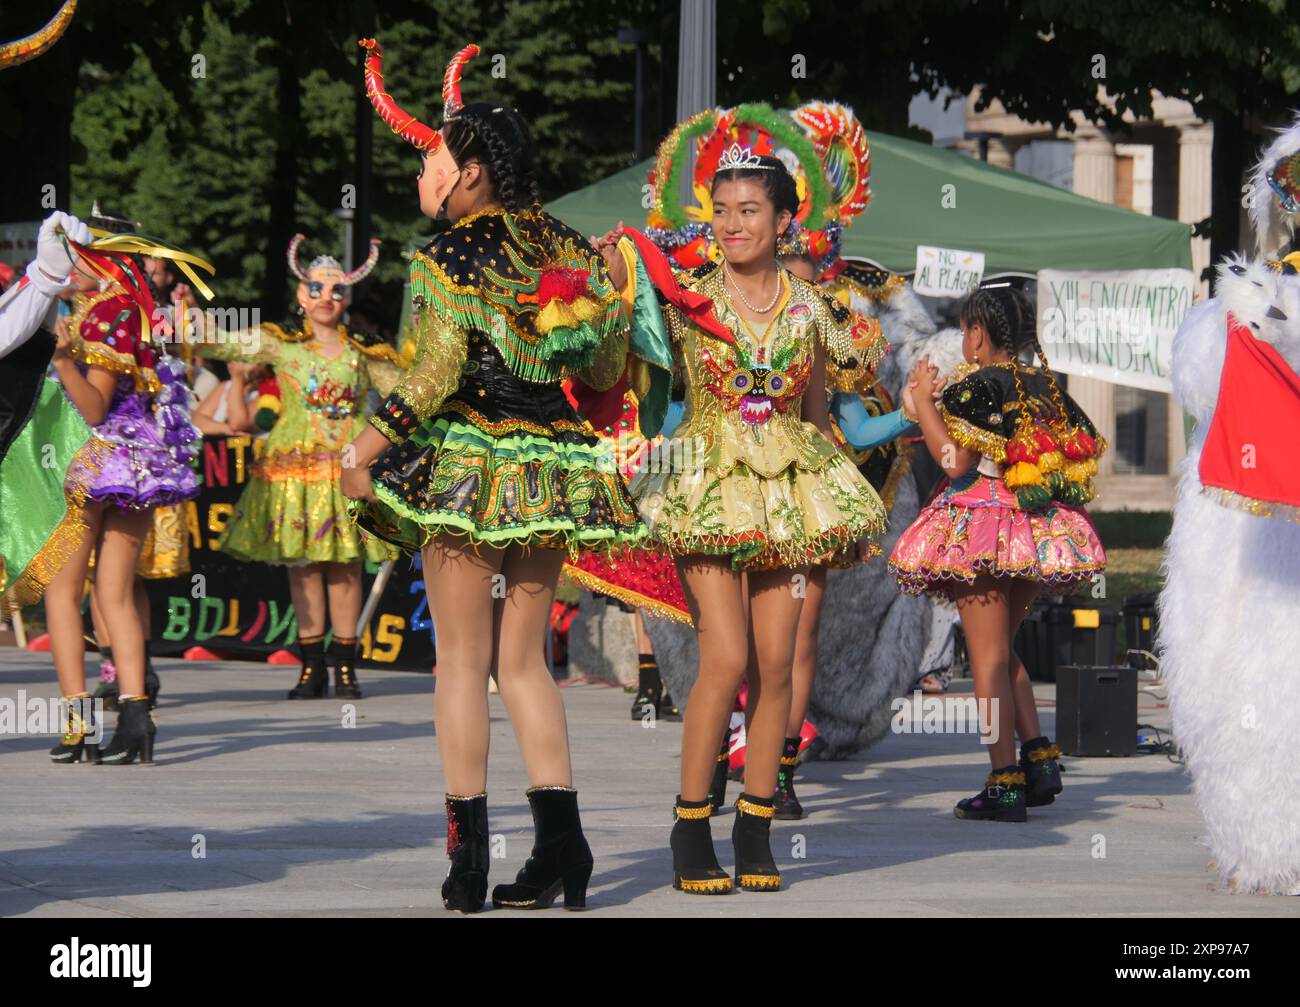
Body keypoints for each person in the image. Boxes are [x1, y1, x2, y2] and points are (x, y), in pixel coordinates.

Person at [342, 39, 659, 913]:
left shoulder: (447, 259)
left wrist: (362, 452)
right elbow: (601, 370)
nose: (424, 176)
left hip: (471, 470)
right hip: (555, 468)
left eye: (435, 160)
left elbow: (433, 376)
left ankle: (468, 860)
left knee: (461, 666)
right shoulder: (570, 246)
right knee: (526, 665)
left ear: (474, 173)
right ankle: (564, 848)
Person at [596, 141, 889, 894]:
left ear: (784, 220)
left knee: (777, 664)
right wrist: (612, 280)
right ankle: (691, 822)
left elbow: (820, 416)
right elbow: (629, 366)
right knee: (724, 659)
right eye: (721, 210)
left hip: (790, 491)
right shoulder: (685, 298)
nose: (732, 224)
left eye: (749, 211)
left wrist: (842, 500)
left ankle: (756, 820)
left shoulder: (813, 313)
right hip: (707, 482)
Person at [888, 284, 1106, 821]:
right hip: (1033, 529)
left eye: (964, 330)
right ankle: (1038, 759)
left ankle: (1003, 781)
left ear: (979, 335)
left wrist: (921, 407)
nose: (963, 339)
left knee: (986, 661)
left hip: (983, 532)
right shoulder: (1042, 385)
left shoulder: (978, 385)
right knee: (1002, 652)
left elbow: (952, 461)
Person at [1159, 116, 1300, 894]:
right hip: (1240, 534)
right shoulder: (1245, 299)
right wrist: (1252, 317)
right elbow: (1197, 379)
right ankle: (1257, 842)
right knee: (1230, 683)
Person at [198, 233, 397, 701]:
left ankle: (344, 667)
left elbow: (409, 394)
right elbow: (222, 345)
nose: (326, 297)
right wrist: (185, 316)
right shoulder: (280, 344)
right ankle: (311, 669)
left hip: (346, 465)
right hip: (292, 471)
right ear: (299, 296)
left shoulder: (364, 352)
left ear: (347, 298)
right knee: (304, 565)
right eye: (316, 288)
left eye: (336, 290)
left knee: (345, 565)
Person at [43, 209, 208, 764]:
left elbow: (92, 408)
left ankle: (79, 724)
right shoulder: (136, 311)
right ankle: (136, 722)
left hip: (95, 463)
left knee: (63, 595)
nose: (67, 268)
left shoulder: (104, 315)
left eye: (75, 256)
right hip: (141, 466)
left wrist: (62, 359)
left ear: (101, 259)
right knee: (114, 595)